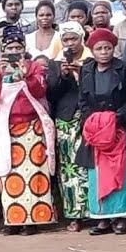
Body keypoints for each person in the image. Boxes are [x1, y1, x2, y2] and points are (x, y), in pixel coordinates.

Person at [0, 25, 57, 235]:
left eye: (18, 47)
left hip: (32, 128)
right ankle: (13, 220)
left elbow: (40, 89)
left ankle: (32, 220)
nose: (15, 51)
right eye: (10, 48)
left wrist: (27, 76)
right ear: (3, 50)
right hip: (6, 129)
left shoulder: (35, 68)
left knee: (34, 172)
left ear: (24, 48)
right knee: (8, 175)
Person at [76, 28, 126, 235]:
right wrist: (94, 121)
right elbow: (83, 100)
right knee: (98, 172)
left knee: (125, 171)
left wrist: (116, 119)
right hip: (98, 129)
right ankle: (103, 217)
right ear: (92, 50)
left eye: (107, 48)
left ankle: (123, 217)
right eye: (99, 48)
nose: (104, 52)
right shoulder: (86, 70)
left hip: (123, 127)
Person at [48, 21, 93, 230]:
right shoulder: (55, 63)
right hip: (66, 120)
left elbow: (96, 89)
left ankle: (93, 211)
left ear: (81, 38)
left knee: (88, 166)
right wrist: (64, 76)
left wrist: (81, 73)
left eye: (73, 39)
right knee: (69, 169)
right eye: (65, 40)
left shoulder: (92, 59)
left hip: (88, 119)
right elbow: (50, 94)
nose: (69, 44)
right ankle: (74, 214)